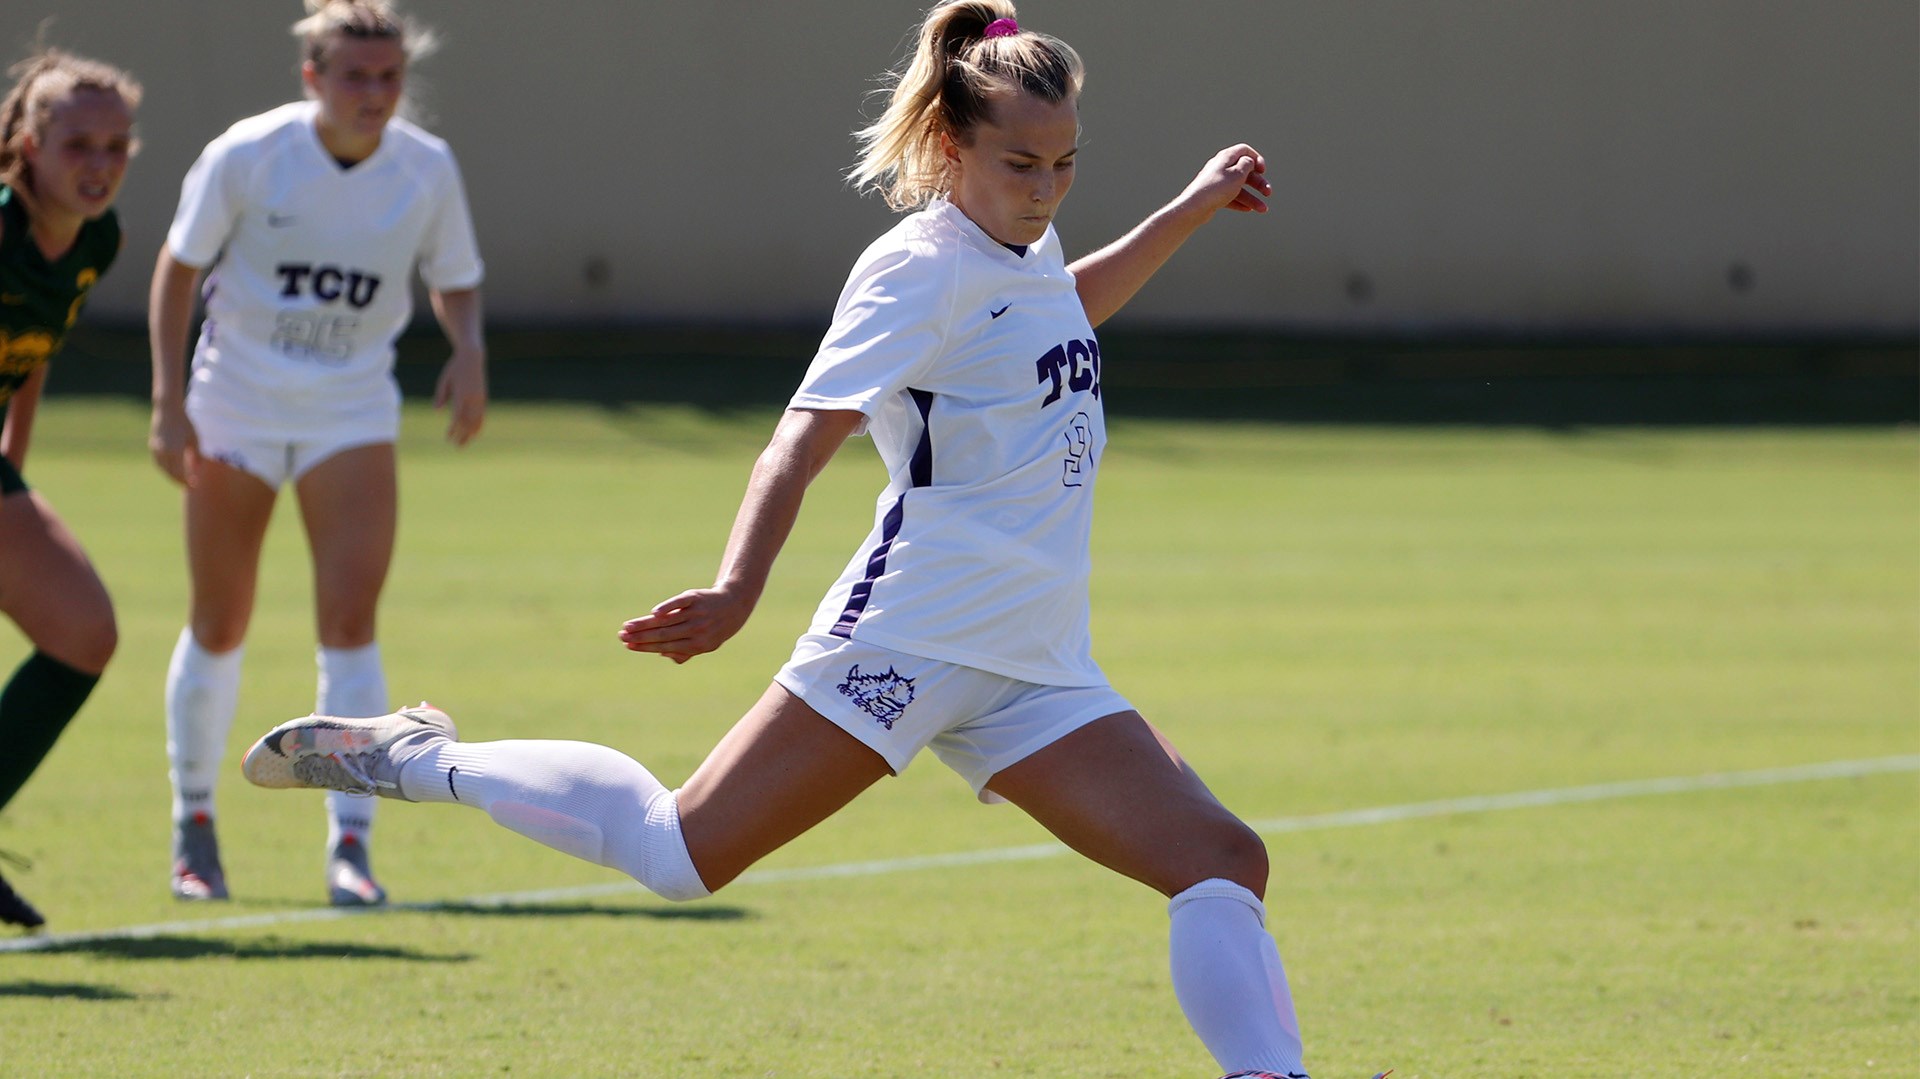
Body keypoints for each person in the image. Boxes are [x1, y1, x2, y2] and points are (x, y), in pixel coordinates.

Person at [243, 4, 1373, 1076]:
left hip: (1036, 659)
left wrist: (1188, 206)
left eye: (1065, 163)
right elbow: (800, 437)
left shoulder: (1023, 247)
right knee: (679, 853)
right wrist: (740, 585)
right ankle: (417, 756)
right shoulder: (913, 266)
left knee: (1223, 858)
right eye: (1022, 165)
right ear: (948, 141)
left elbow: (1053, 310)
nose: (1045, 188)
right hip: (910, 632)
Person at [149, 0, 485, 908]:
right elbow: (179, 268)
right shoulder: (248, 153)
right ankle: (196, 825)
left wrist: (468, 351)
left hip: (349, 410)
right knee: (219, 620)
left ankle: (350, 840)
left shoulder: (425, 168)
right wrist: (167, 401)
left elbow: (455, 278)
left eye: (389, 78)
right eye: (353, 76)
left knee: (350, 621)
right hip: (237, 405)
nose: (374, 94)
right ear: (313, 77)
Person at [0, 46, 141, 931]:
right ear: (26, 145)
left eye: (117, 147)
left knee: (83, 633)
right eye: (77, 144)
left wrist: (16, 453)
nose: (99, 165)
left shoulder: (97, 237)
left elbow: (34, 349)